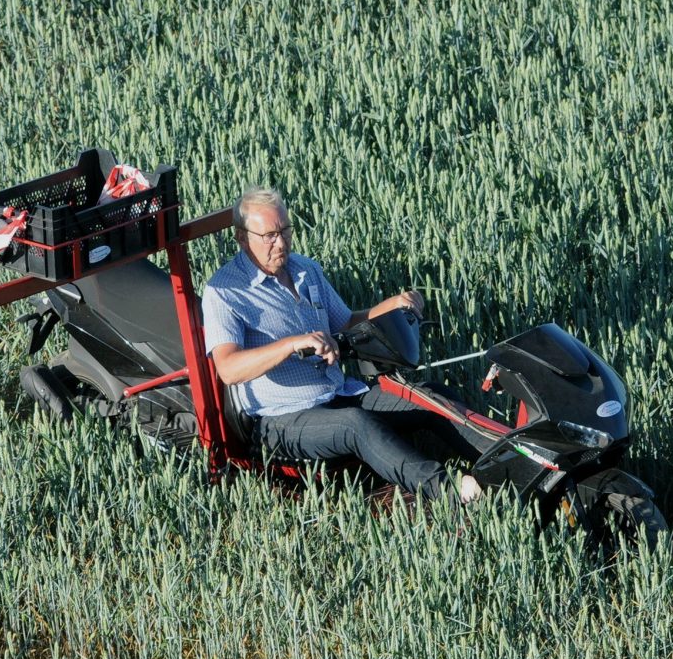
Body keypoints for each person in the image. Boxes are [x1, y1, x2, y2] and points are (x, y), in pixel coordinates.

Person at [201, 187, 483, 505]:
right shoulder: (224, 291)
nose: (280, 243)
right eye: (269, 236)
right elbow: (229, 368)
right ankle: (451, 492)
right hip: (280, 420)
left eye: (285, 231)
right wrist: (291, 344)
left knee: (430, 397)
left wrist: (392, 305)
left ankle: (505, 463)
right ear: (241, 237)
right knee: (356, 425)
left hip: (339, 394)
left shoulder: (306, 270)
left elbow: (346, 323)